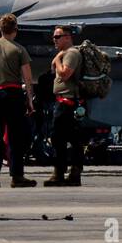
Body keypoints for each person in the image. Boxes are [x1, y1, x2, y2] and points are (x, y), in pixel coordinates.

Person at [0, 13, 36, 188]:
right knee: (15, 136)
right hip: (13, 94)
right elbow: (27, 78)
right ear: (16, 29)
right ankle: (17, 176)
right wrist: (30, 101)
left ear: (0, 29)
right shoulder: (20, 49)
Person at [47, 25, 84, 187]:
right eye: (54, 37)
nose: (54, 40)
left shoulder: (71, 54)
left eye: (58, 37)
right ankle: (73, 173)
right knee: (72, 139)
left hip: (66, 104)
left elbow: (65, 74)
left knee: (58, 138)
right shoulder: (67, 53)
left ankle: (59, 174)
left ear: (68, 37)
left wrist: (56, 60)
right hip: (66, 102)